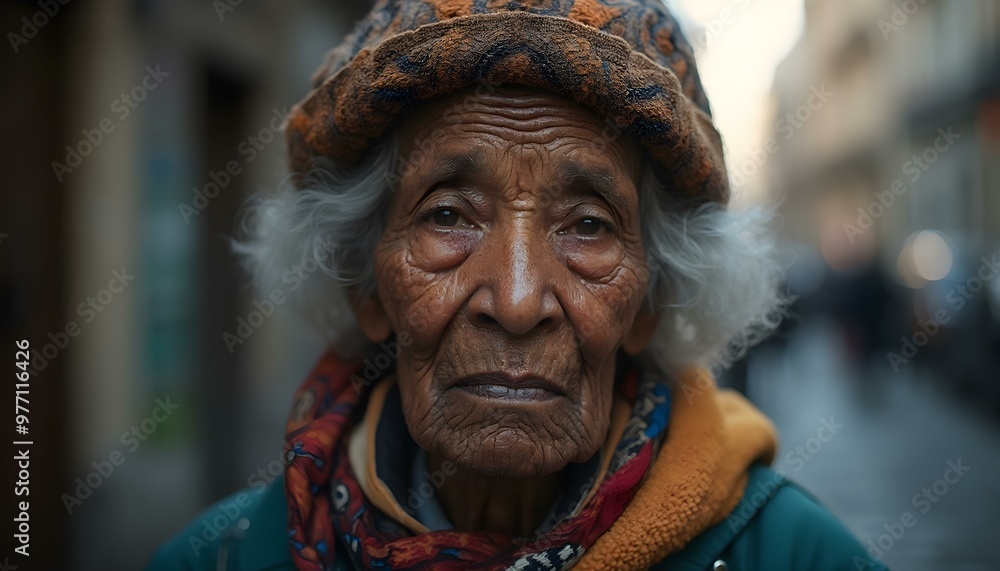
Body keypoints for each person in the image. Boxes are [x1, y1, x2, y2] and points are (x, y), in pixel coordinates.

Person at [149, 1, 887, 569]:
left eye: (588, 226)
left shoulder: (797, 555)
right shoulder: (219, 559)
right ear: (365, 285)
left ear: (651, 300)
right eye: (447, 215)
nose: (517, 299)